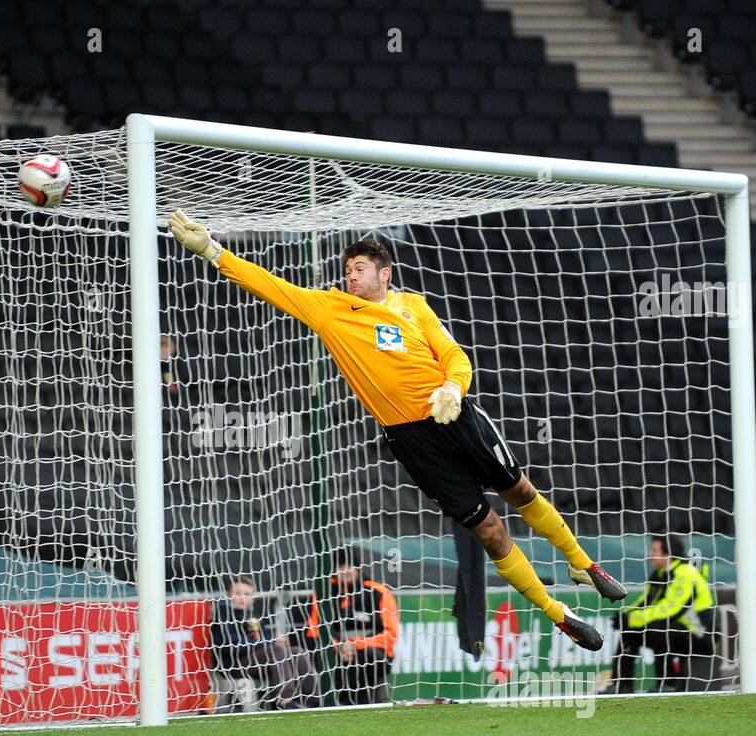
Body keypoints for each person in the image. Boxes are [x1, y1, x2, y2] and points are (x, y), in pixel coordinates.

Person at [167, 211, 625, 651]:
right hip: (412, 440)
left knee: (520, 492)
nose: (350, 275)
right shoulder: (331, 309)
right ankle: (557, 613)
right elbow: (271, 286)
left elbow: (455, 355)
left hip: (455, 414)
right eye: (347, 269)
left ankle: (583, 564)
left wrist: (451, 387)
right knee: (489, 530)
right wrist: (212, 251)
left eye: (360, 268)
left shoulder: (414, 307)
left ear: (384, 274)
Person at [606, 533, 715, 694]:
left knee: (659, 628)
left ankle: (669, 683)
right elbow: (646, 602)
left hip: (700, 634)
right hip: (678, 630)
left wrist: (634, 618)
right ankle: (621, 685)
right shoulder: (659, 575)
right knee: (629, 631)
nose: (650, 553)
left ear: (667, 554)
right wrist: (626, 615)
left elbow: (671, 608)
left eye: (654, 550)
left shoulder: (685, 573)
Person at [309, 547, 400, 705]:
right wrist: (337, 647)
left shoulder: (378, 591)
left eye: (349, 565)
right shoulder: (324, 593)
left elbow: (390, 634)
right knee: (323, 656)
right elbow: (313, 631)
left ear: (357, 567)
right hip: (334, 649)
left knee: (367, 657)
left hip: (370, 651)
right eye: (340, 566)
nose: (345, 570)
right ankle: (328, 702)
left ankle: (352, 703)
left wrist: (354, 644)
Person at [208, 575, 306, 710]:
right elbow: (232, 647)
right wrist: (270, 642)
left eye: (247, 594)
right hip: (234, 666)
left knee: (296, 651)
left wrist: (274, 641)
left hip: (257, 662)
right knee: (276, 650)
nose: (242, 598)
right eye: (237, 593)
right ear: (228, 595)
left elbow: (264, 638)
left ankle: (312, 699)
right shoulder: (222, 616)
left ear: (253, 597)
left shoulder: (253, 615)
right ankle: (284, 700)